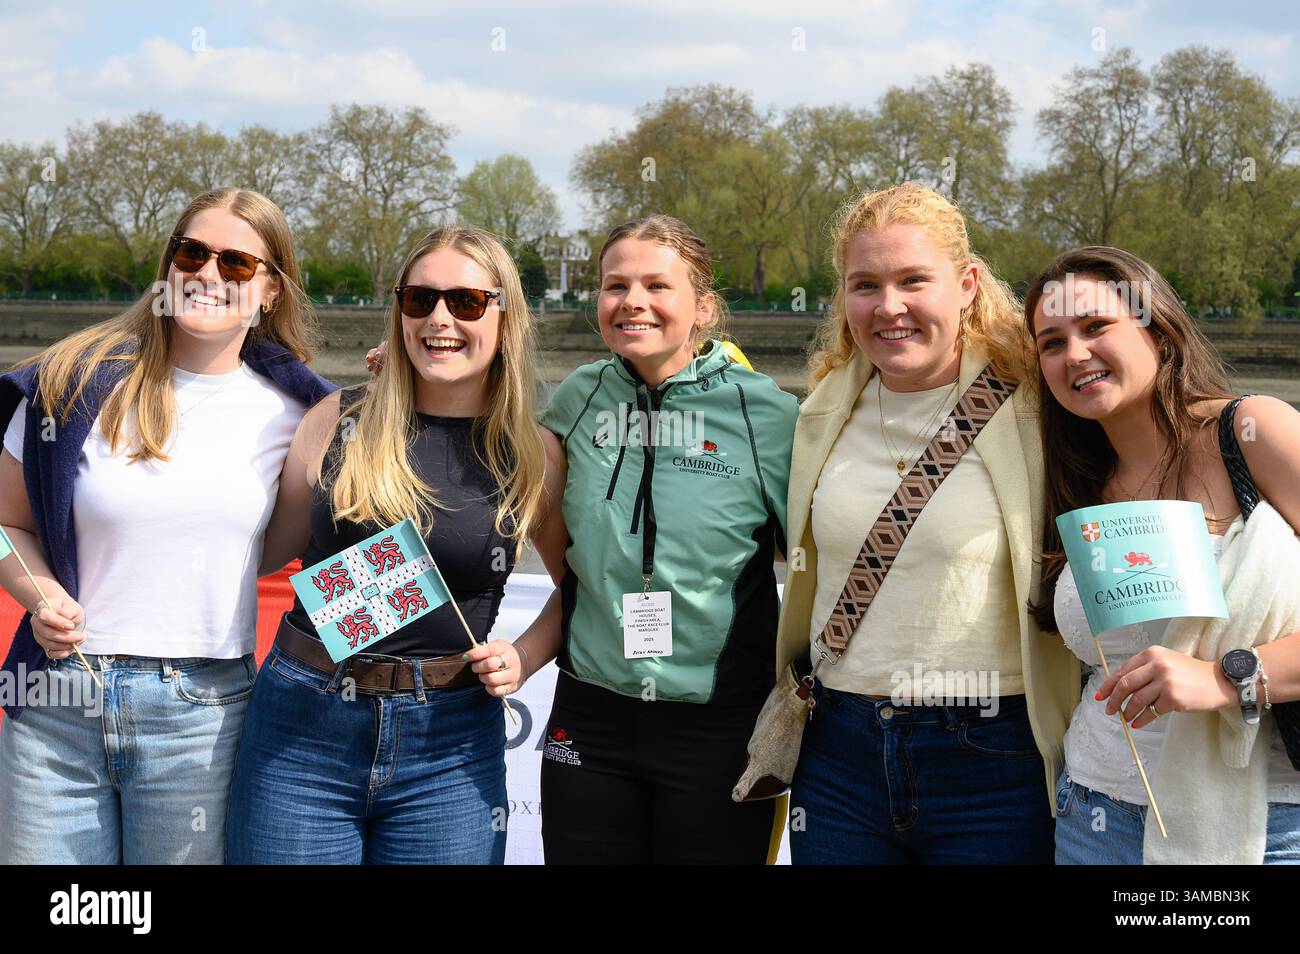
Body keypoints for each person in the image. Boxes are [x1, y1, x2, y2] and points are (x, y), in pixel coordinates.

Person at [0, 188, 335, 863]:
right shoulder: (66, 384)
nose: (209, 274)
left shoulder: (305, 417)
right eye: (193, 252)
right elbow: (6, 525)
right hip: (57, 704)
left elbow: (277, 555)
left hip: (205, 717)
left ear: (271, 289)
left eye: (238, 263)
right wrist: (42, 596)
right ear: (168, 266)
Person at [225, 226, 556, 864]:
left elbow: (578, 590)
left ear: (505, 315)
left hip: (451, 742)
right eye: (419, 299)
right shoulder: (337, 419)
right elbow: (261, 552)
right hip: (302, 723)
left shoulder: (534, 452)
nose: (439, 319)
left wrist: (524, 657)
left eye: (465, 302)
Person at [777, 182, 1080, 864]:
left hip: (990, 755)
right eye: (866, 285)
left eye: (914, 280)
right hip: (837, 749)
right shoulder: (821, 409)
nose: (889, 307)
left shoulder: (1039, 408)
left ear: (967, 283)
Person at [511, 214, 796, 864]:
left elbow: (817, 557)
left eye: (656, 286)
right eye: (616, 286)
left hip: (720, 725)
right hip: (589, 715)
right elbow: (497, 459)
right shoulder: (580, 397)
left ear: (704, 307)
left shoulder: (769, 415)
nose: (632, 301)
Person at [1026, 245, 1300, 864]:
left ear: (1158, 329)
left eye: (1096, 326)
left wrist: (1228, 677)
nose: (1075, 354)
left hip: (1262, 825)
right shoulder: (1074, 481)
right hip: (1094, 816)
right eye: (1051, 342)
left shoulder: (1252, 432)